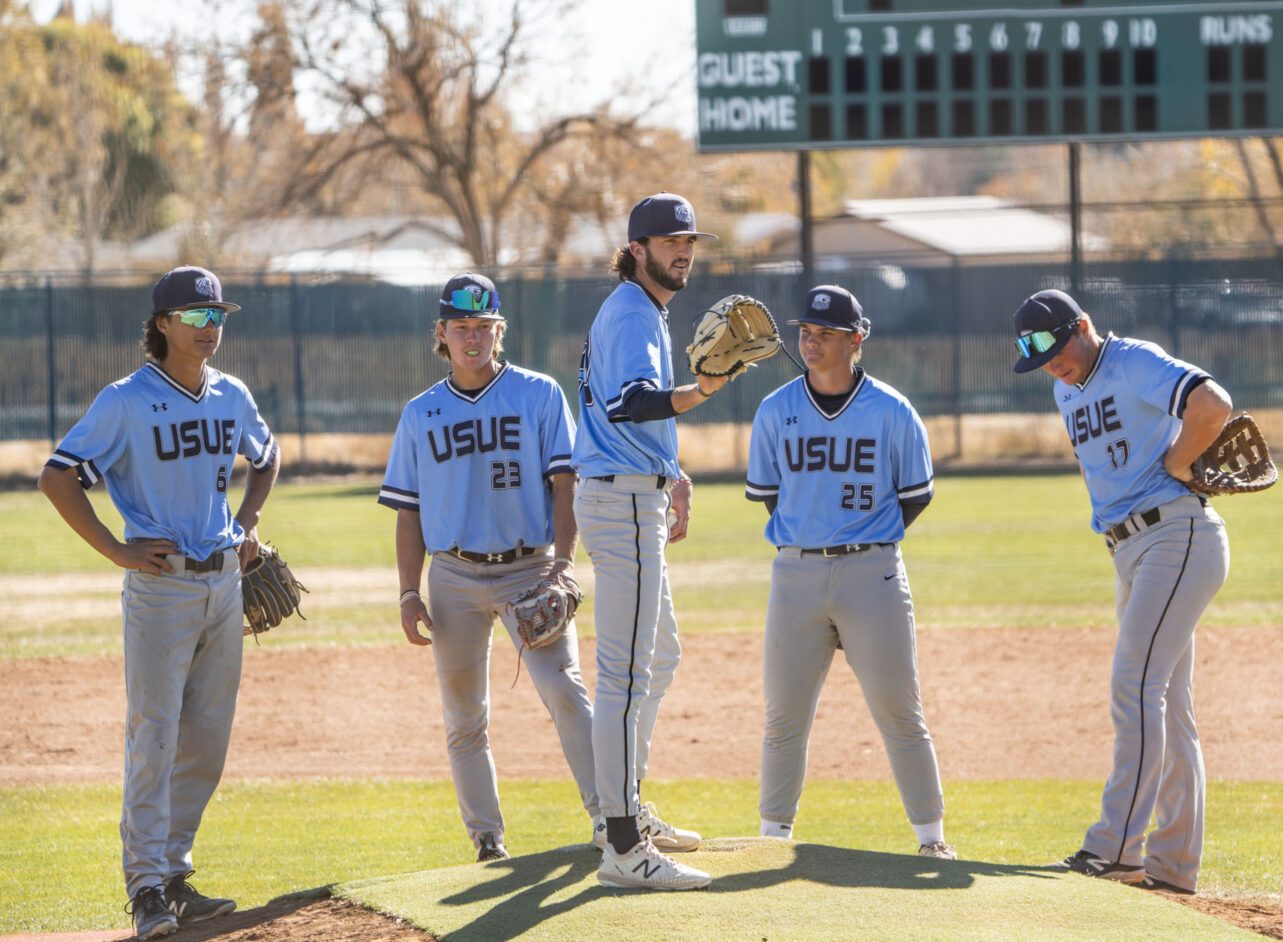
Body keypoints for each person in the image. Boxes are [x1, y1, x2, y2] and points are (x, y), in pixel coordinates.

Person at [38, 266, 280, 940]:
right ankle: (144, 886)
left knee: (206, 736)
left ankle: (175, 872)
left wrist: (249, 524)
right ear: (163, 324)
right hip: (161, 585)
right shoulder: (125, 401)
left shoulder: (232, 395)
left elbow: (267, 457)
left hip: (223, 583)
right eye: (196, 316)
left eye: (217, 316)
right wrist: (115, 549)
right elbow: (57, 477)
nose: (210, 327)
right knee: (155, 735)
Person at [1011, 288, 1232, 895]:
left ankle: (1114, 848)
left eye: (1057, 349)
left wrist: (1182, 462)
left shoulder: (1133, 360)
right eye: (1040, 358)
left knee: (1134, 685)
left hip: (1177, 535)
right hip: (1131, 550)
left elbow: (1212, 403)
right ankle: (1175, 868)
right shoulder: (1064, 389)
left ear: (1083, 326)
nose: (1052, 365)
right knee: (1170, 709)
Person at [378, 273, 599, 861]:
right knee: (464, 715)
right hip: (452, 575)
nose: (472, 337)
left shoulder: (538, 393)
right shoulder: (420, 413)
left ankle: (610, 818)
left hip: (530, 569)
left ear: (499, 332)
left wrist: (563, 564)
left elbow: (565, 483)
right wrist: (407, 592)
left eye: (483, 327)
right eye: (460, 327)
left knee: (566, 692)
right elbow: (408, 513)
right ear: (441, 334)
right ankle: (487, 839)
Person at [745, 285, 955, 860]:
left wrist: (862, 538)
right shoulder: (775, 410)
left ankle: (931, 838)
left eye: (827, 334)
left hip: (873, 572)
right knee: (783, 714)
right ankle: (772, 836)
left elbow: (915, 497)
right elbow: (769, 497)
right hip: (796, 574)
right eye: (806, 333)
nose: (811, 343)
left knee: (899, 711)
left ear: (856, 340)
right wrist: (816, 533)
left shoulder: (892, 409)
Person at [572, 192, 732, 891]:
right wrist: (702, 391)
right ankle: (623, 843)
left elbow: (628, 413)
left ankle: (626, 805)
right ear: (636, 248)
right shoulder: (635, 311)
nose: (683, 250)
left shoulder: (639, 310)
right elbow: (630, 402)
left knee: (657, 655)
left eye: (689, 239)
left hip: (634, 489)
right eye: (669, 240)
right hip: (620, 501)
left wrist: (675, 468)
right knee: (626, 676)